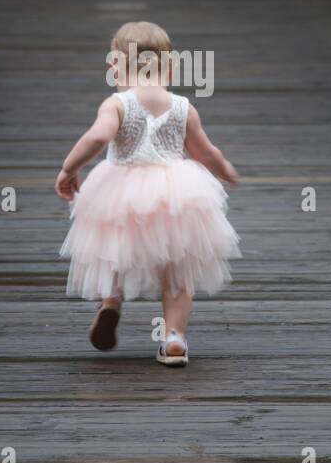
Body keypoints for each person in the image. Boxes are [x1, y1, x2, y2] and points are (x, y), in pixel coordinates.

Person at [56, 22, 239, 366]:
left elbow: (97, 138)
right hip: (177, 196)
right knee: (177, 270)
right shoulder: (183, 107)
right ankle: (174, 339)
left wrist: (69, 168)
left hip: (120, 193)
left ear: (116, 66)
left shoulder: (118, 104)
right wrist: (224, 169)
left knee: (115, 252)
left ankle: (111, 303)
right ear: (170, 66)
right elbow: (205, 152)